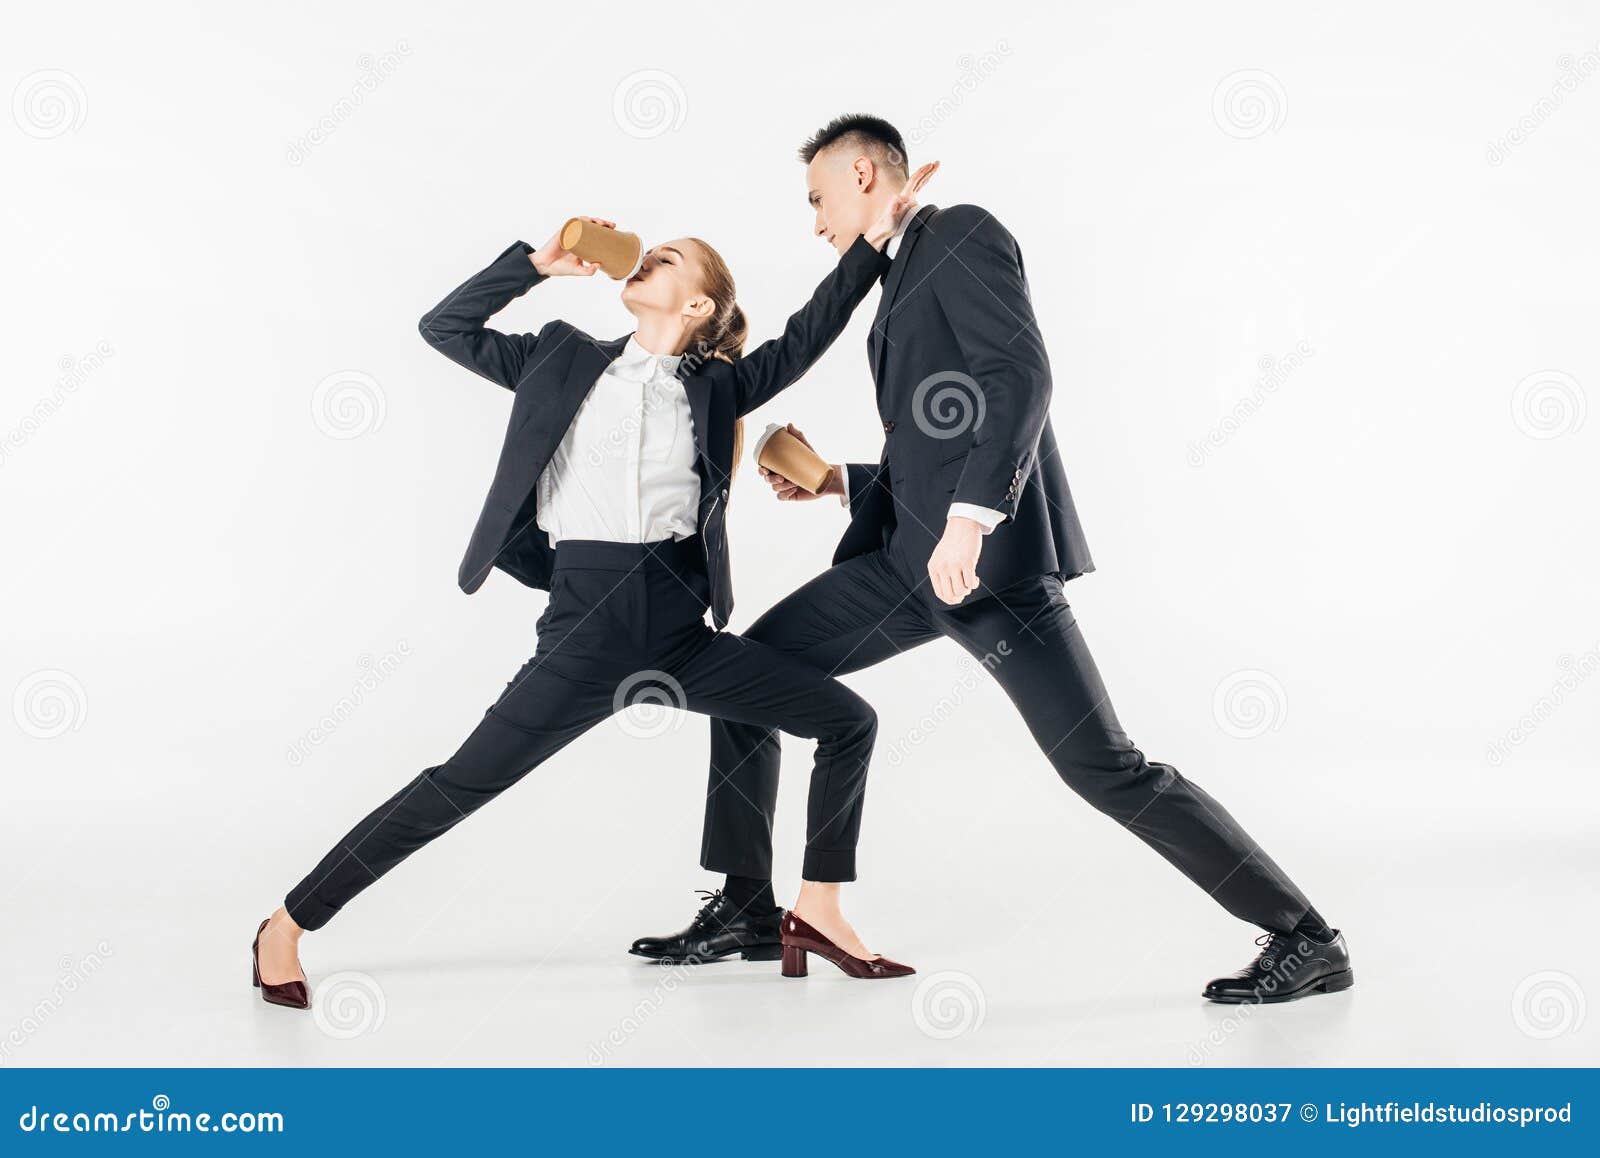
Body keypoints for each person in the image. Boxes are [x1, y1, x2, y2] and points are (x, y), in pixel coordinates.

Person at [630, 115, 1352, 1005]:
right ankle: (747, 906)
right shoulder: (902, 269)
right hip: (906, 568)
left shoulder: (961, 230)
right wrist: (835, 483)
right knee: (750, 678)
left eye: (818, 198)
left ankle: (1305, 937)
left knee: (1105, 768)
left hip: (989, 575)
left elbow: (1021, 378)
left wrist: (970, 526)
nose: (814, 219)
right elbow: (940, 435)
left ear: (863, 174)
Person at [250, 174, 935, 1009]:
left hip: (682, 638)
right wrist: (535, 266)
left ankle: (810, 909)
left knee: (848, 721)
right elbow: (444, 327)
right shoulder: (558, 356)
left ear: (699, 308)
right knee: (458, 785)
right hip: (583, 634)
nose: (647, 258)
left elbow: (808, 332)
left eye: (670, 259)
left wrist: (874, 241)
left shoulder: (718, 388)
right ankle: (286, 924)